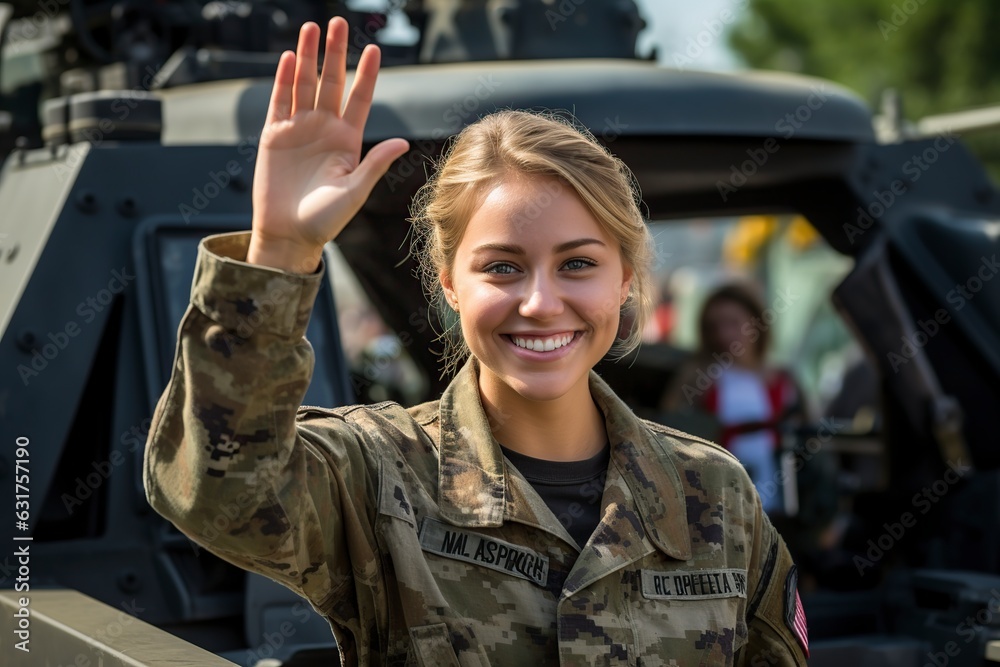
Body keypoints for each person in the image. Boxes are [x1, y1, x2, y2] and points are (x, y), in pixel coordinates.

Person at [143, 18, 809, 666]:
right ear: (450, 284)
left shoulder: (712, 493)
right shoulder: (378, 475)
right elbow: (217, 494)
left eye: (578, 263)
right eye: (502, 267)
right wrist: (280, 252)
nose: (542, 303)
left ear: (624, 282)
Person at [660, 283, 807, 514]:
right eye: (714, 327)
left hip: (780, 500)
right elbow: (668, 433)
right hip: (718, 503)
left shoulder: (783, 379)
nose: (724, 334)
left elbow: (807, 438)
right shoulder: (698, 375)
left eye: (733, 323)